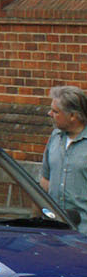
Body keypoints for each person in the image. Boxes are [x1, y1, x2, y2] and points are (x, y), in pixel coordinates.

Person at [39, 84, 87, 231]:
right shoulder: (55, 137)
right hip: (54, 231)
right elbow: (45, 180)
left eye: (55, 111)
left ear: (73, 116)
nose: (50, 114)